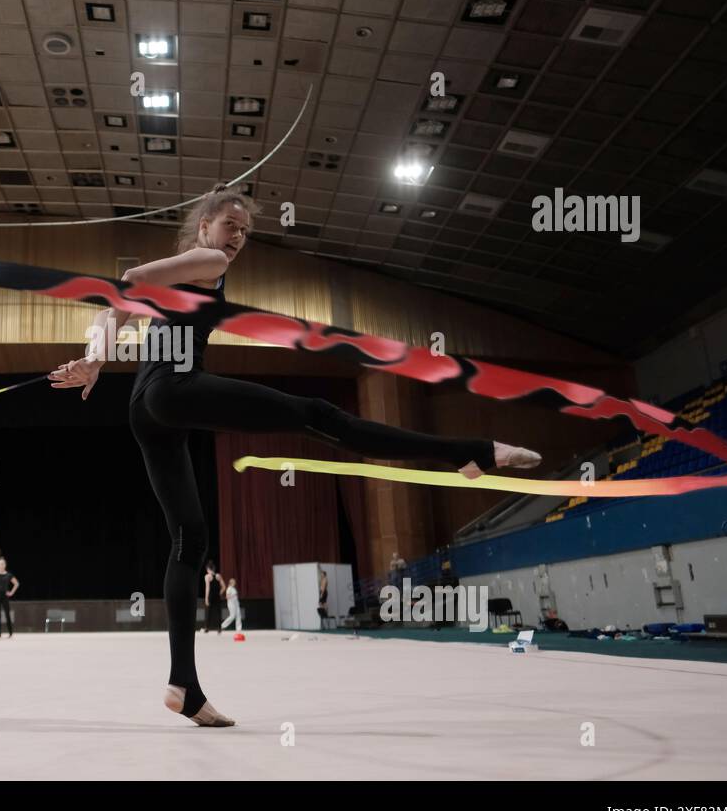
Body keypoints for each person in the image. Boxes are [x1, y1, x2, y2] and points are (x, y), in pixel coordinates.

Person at [50, 183, 541, 727]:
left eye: (246, 231)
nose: (237, 237)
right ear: (206, 223)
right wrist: (99, 348)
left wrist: (95, 360)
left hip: (146, 410)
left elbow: (116, 306)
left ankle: (182, 685)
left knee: (190, 540)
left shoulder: (195, 271)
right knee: (318, 414)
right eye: (230, 224)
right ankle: (470, 452)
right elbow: (131, 283)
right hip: (173, 389)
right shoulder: (208, 260)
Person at [0, 556, 19, 637]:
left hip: (4, 596)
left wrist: (11, 592)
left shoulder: (8, 575)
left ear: (5, 565)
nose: (0, 565)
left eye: (2, 564)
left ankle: (10, 633)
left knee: (7, 614)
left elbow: (16, 583)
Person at [204, 562, 225, 633]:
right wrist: (219, 593)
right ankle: (219, 628)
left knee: (208, 612)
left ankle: (207, 628)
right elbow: (224, 587)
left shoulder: (207, 576)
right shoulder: (218, 575)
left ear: (208, 569)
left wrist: (206, 598)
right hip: (217, 596)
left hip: (211, 596)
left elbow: (208, 588)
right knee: (218, 612)